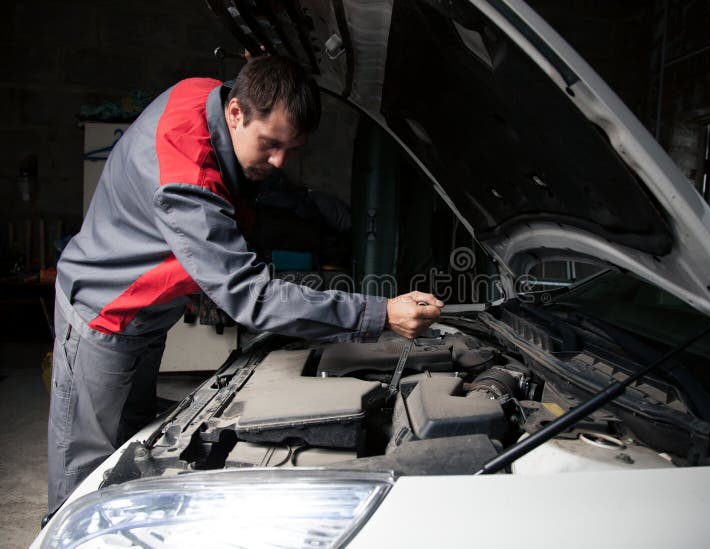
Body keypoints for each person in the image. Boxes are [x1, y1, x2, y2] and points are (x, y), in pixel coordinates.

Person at [48, 55, 443, 515]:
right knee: (87, 477)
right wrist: (381, 313)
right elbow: (250, 297)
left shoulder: (207, 92)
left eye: (291, 149)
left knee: (131, 447)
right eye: (270, 144)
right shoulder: (187, 177)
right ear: (236, 113)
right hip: (103, 316)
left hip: (148, 314)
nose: (278, 161)